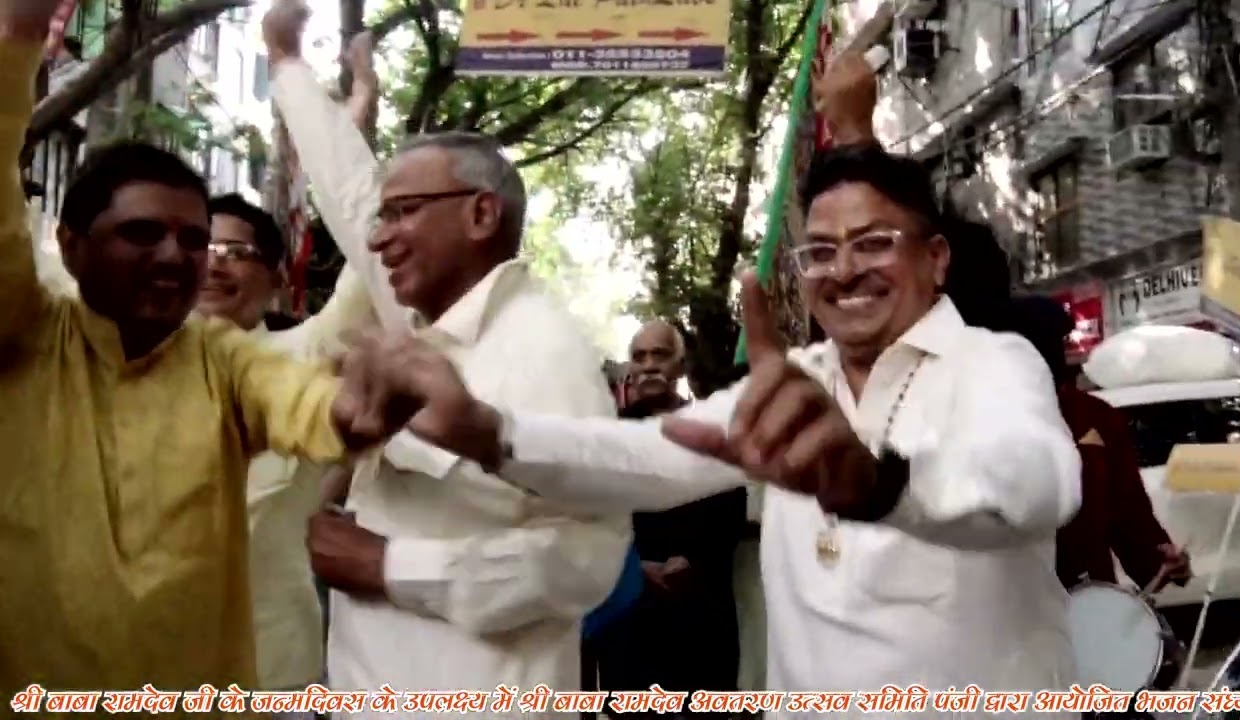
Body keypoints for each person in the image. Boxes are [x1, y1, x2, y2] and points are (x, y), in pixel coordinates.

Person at [345, 143, 1084, 716]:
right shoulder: (797, 382)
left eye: (874, 243)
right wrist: (488, 433)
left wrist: (879, 480)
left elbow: (1035, 484)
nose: (845, 270)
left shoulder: (993, 362)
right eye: (821, 251)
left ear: (936, 257)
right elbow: (638, 458)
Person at [0, 0, 416, 696]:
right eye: (142, 235)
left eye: (211, 246)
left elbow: (312, 390)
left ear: (278, 277)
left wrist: (357, 413)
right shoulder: (26, 331)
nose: (187, 259)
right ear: (71, 248)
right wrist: (14, 47)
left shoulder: (240, 363)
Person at [263, 1, 630, 709]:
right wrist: (286, 64)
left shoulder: (545, 352)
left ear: (481, 214)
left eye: (403, 215)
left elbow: (588, 557)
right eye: (385, 217)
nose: (377, 239)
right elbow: (349, 188)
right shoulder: (422, 317)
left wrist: (391, 565)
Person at [193, 191, 377, 710]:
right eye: (201, 245)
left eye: (236, 251)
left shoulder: (300, 359)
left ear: (277, 279)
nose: (214, 262)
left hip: (267, 666)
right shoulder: (123, 363)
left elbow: (366, 273)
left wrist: (339, 130)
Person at [593, 320, 744, 716]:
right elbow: (591, 512)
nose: (648, 366)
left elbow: (728, 508)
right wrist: (635, 567)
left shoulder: (710, 431)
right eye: (639, 357)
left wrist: (693, 562)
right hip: (628, 614)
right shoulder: (607, 436)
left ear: (680, 365)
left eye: (660, 355)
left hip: (697, 614)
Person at [1006, 295, 1191, 593]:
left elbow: (1129, 510)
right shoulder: (980, 420)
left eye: (1058, 342)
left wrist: (1163, 559)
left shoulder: (1097, 417)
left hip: (1092, 604)